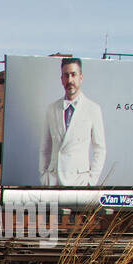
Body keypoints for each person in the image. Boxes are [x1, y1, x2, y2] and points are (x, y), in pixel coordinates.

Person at [39, 57, 106, 187]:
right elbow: (45, 148)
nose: (70, 80)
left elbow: (100, 149)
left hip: (80, 181)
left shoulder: (93, 109)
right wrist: (44, 176)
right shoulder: (51, 109)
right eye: (66, 75)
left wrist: (91, 181)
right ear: (61, 79)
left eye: (73, 74)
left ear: (81, 77)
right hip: (53, 181)